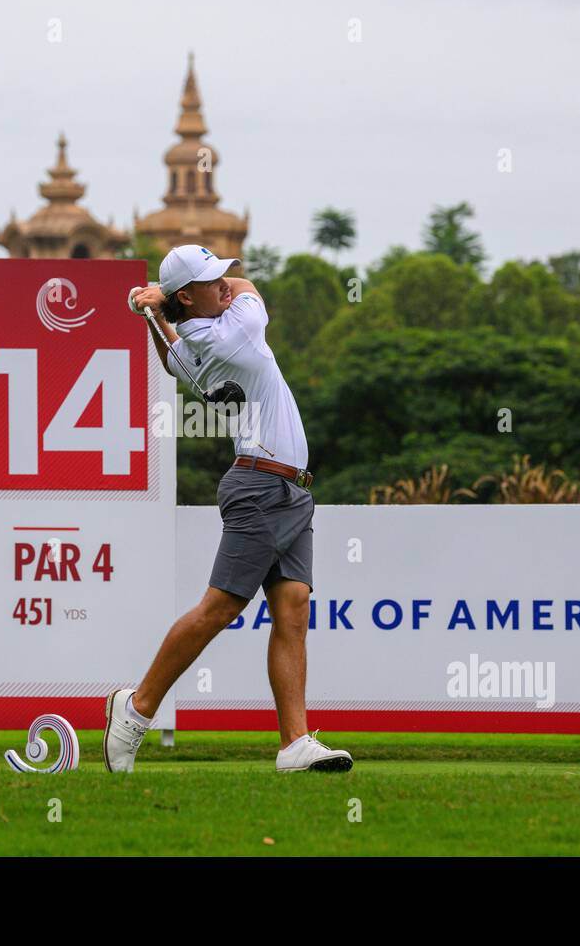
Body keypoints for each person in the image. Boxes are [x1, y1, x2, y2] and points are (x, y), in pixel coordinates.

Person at [104, 244, 353, 774]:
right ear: (190, 297)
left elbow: (171, 358)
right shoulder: (235, 329)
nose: (226, 283)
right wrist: (165, 301)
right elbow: (250, 291)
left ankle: (294, 744)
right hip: (262, 488)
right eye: (213, 280)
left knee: (293, 610)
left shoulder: (194, 341)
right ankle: (137, 708)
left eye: (224, 277)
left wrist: (158, 311)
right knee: (218, 609)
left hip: (288, 491)